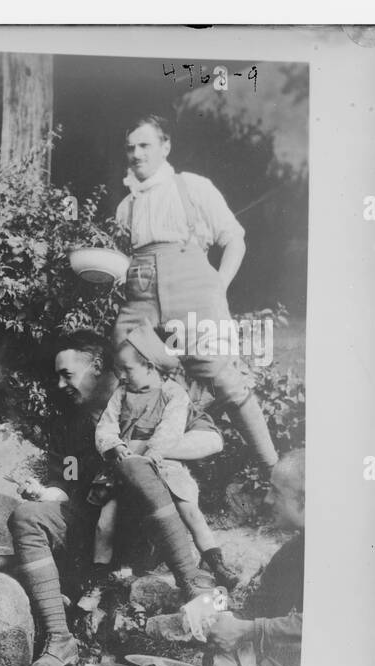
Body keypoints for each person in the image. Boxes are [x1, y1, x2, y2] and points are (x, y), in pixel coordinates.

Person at [8, 330, 221, 666]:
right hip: (97, 528)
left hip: (148, 524)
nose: (61, 385)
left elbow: (211, 440)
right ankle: (60, 640)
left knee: (134, 466)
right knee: (25, 517)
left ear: (95, 366)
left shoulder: (156, 397)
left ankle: (190, 579)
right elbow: (67, 482)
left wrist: (138, 452)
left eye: (67, 375)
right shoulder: (72, 424)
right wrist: (45, 493)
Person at [113, 114, 279, 476]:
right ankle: (131, 474)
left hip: (192, 291)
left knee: (225, 381)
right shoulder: (127, 206)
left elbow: (234, 237)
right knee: (123, 371)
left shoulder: (191, 187)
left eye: (145, 145)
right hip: (140, 296)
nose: (136, 154)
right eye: (130, 147)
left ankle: (273, 471)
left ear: (165, 147)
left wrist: (219, 284)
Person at [89, 328, 238, 590]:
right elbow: (106, 426)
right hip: (123, 468)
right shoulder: (121, 394)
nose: (121, 376)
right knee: (105, 522)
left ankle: (216, 563)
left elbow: (170, 429)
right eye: (118, 369)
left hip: (161, 465)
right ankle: (98, 579)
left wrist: (154, 452)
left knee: (190, 511)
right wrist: (114, 447)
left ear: (150, 366)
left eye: (127, 369)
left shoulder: (173, 393)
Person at [200, 450, 304, 666]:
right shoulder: (292, 553)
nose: (267, 499)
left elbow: (329, 627)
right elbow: (259, 612)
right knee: (222, 662)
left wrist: (247, 630)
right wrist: (218, 617)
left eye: (276, 492)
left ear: (304, 500)